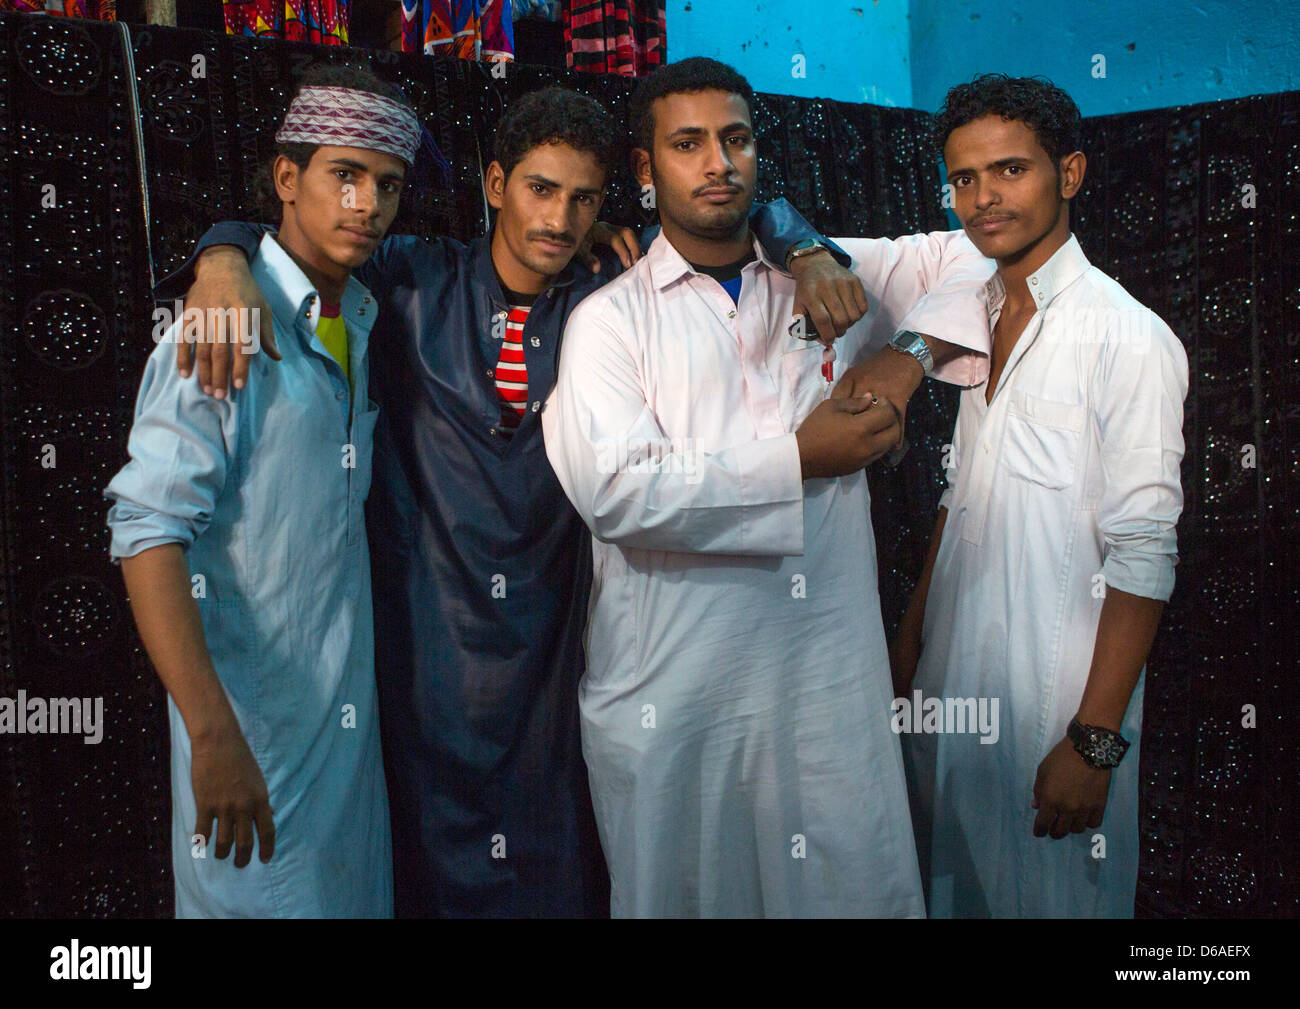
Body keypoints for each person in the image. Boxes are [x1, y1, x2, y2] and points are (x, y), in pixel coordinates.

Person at [159, 84, 862, 917]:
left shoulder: (606, 302)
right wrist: (221, 254)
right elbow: (301, 243)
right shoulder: (410, 279)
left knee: (555, 871)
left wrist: (804, 244)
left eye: (582, 198)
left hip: (554, 663)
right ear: (495, 186)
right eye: (539, 190)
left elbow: (738, 223)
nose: (559, 220)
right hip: (421, 659)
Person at [541, 57, 996, 917]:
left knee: (849, 894)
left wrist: (902, 361)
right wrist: (799, 457)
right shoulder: (610, 320)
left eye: (735, 139)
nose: (718, 162)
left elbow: (980, 251)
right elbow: (615, 489)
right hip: (673, 703)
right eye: (687, 144)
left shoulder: (829, 275)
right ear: (645, 170)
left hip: (825, 694)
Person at [104, 63, 416, 917]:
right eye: (342, 176)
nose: (367, 204)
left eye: (386, 185)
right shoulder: (222, 331)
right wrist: (210, 733)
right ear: (287, 178)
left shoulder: (356, 316)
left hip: (342, 753)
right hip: (248, 750)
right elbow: (145, 532)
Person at [893, 74, 1189, 918]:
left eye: (1011, 171)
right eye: (964, 179)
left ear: (1071, 173)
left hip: (1057, 711)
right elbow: (960, 500)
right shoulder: (973, 316)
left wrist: (1094, 741)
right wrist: (909, 647)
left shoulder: (1127, 336)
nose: (984, 199)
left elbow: (1145, 549)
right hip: (951, 693)